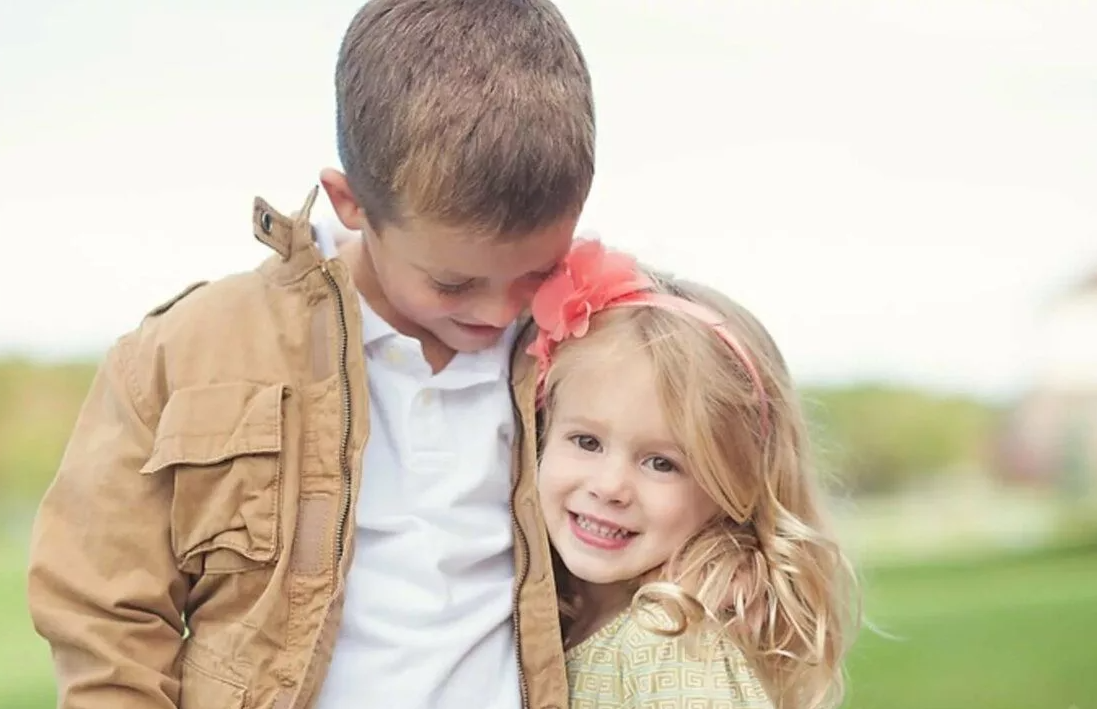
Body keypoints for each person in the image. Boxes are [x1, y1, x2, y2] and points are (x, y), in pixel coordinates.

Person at [27, 1, 594, 708]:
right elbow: (101, 606)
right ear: (350, 202)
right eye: (453, 282)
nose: (499, 311)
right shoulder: (189, 351)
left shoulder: (591, 357)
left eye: (536, 273)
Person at [526, 239, 860, 709]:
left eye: (662, 463)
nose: (609, 487)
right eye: (587, 442)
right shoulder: (563, 615)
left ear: (730, 487)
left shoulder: (669, 642)